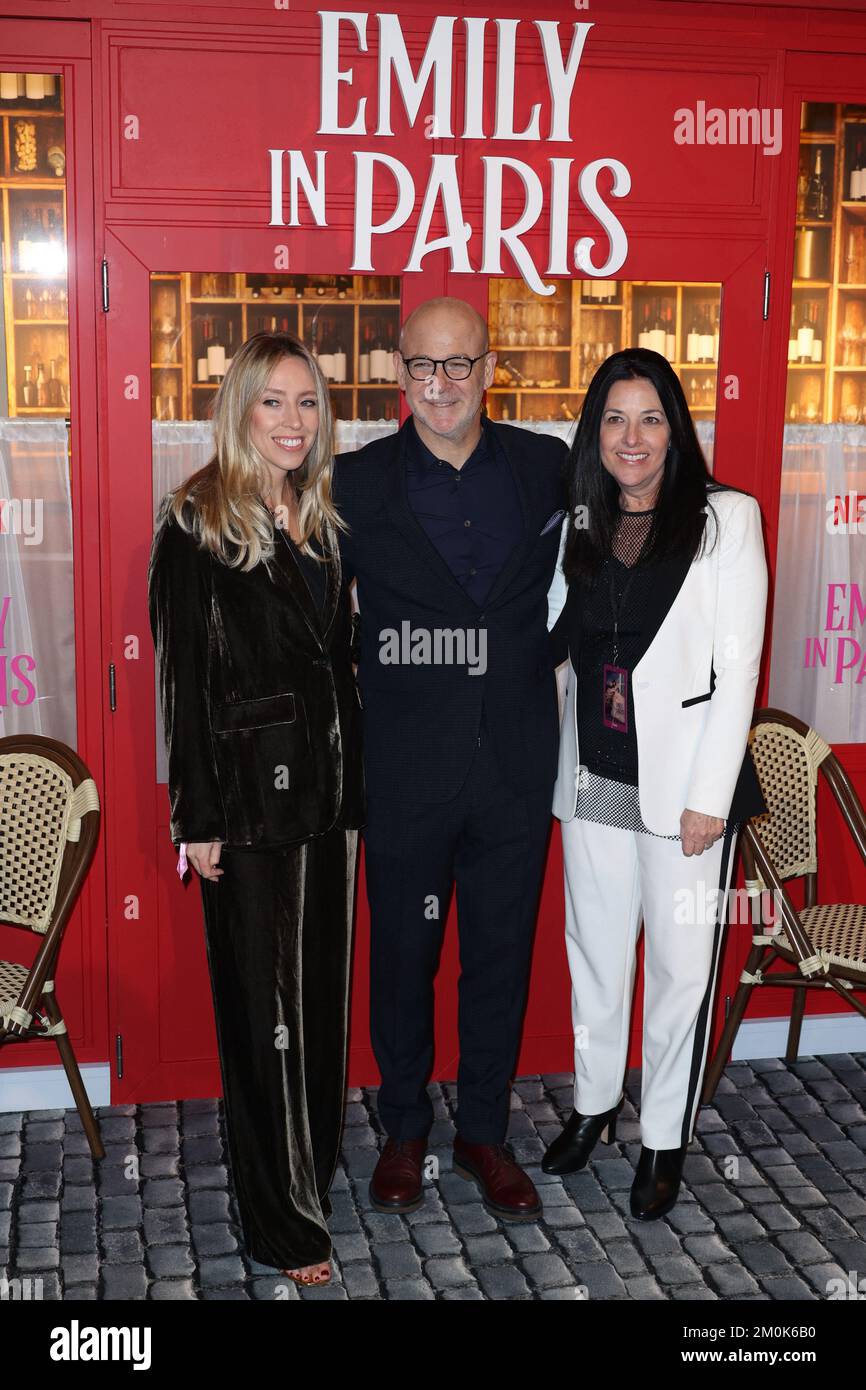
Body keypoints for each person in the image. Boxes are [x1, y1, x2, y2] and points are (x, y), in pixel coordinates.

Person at [331, 296, 568, 1221]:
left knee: (500, 958)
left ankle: (482, 1134)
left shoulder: (546, 468)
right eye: (423, 367)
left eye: (459, 365)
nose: (441, 385)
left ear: (489, 368)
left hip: (514, 760)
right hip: (403, 768)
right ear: (399, 372)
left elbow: (603, 563)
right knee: (402, 956)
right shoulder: (353, 482)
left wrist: (540, 653)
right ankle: (402, 1129)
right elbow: (311, 616)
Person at [147, 331, 364, 1284]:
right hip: (246, 808)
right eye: (271, 402)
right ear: (238, 410)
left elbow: (337, 666)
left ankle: (307, 1175)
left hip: (327, 803)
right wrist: (195, 818)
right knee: (264, 1017)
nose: (291, 421)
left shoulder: (321, 516)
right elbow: (184, 686)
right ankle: (281, 1226)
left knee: (318, 1008)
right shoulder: (195, 522)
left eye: (306, 402)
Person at [543, 346, 767, 1221]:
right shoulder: (582, 524)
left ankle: (663, 1134)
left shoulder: (726, 520)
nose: (630, 438)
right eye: (613, 419)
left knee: (679, 967)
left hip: (684, 798)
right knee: (594, 953)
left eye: (649, 419)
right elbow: (558, 638)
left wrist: (711, 795)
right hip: (596, 774)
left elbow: (739, 666)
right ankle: (596, 1104)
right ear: (593, 433)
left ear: (675, 431)